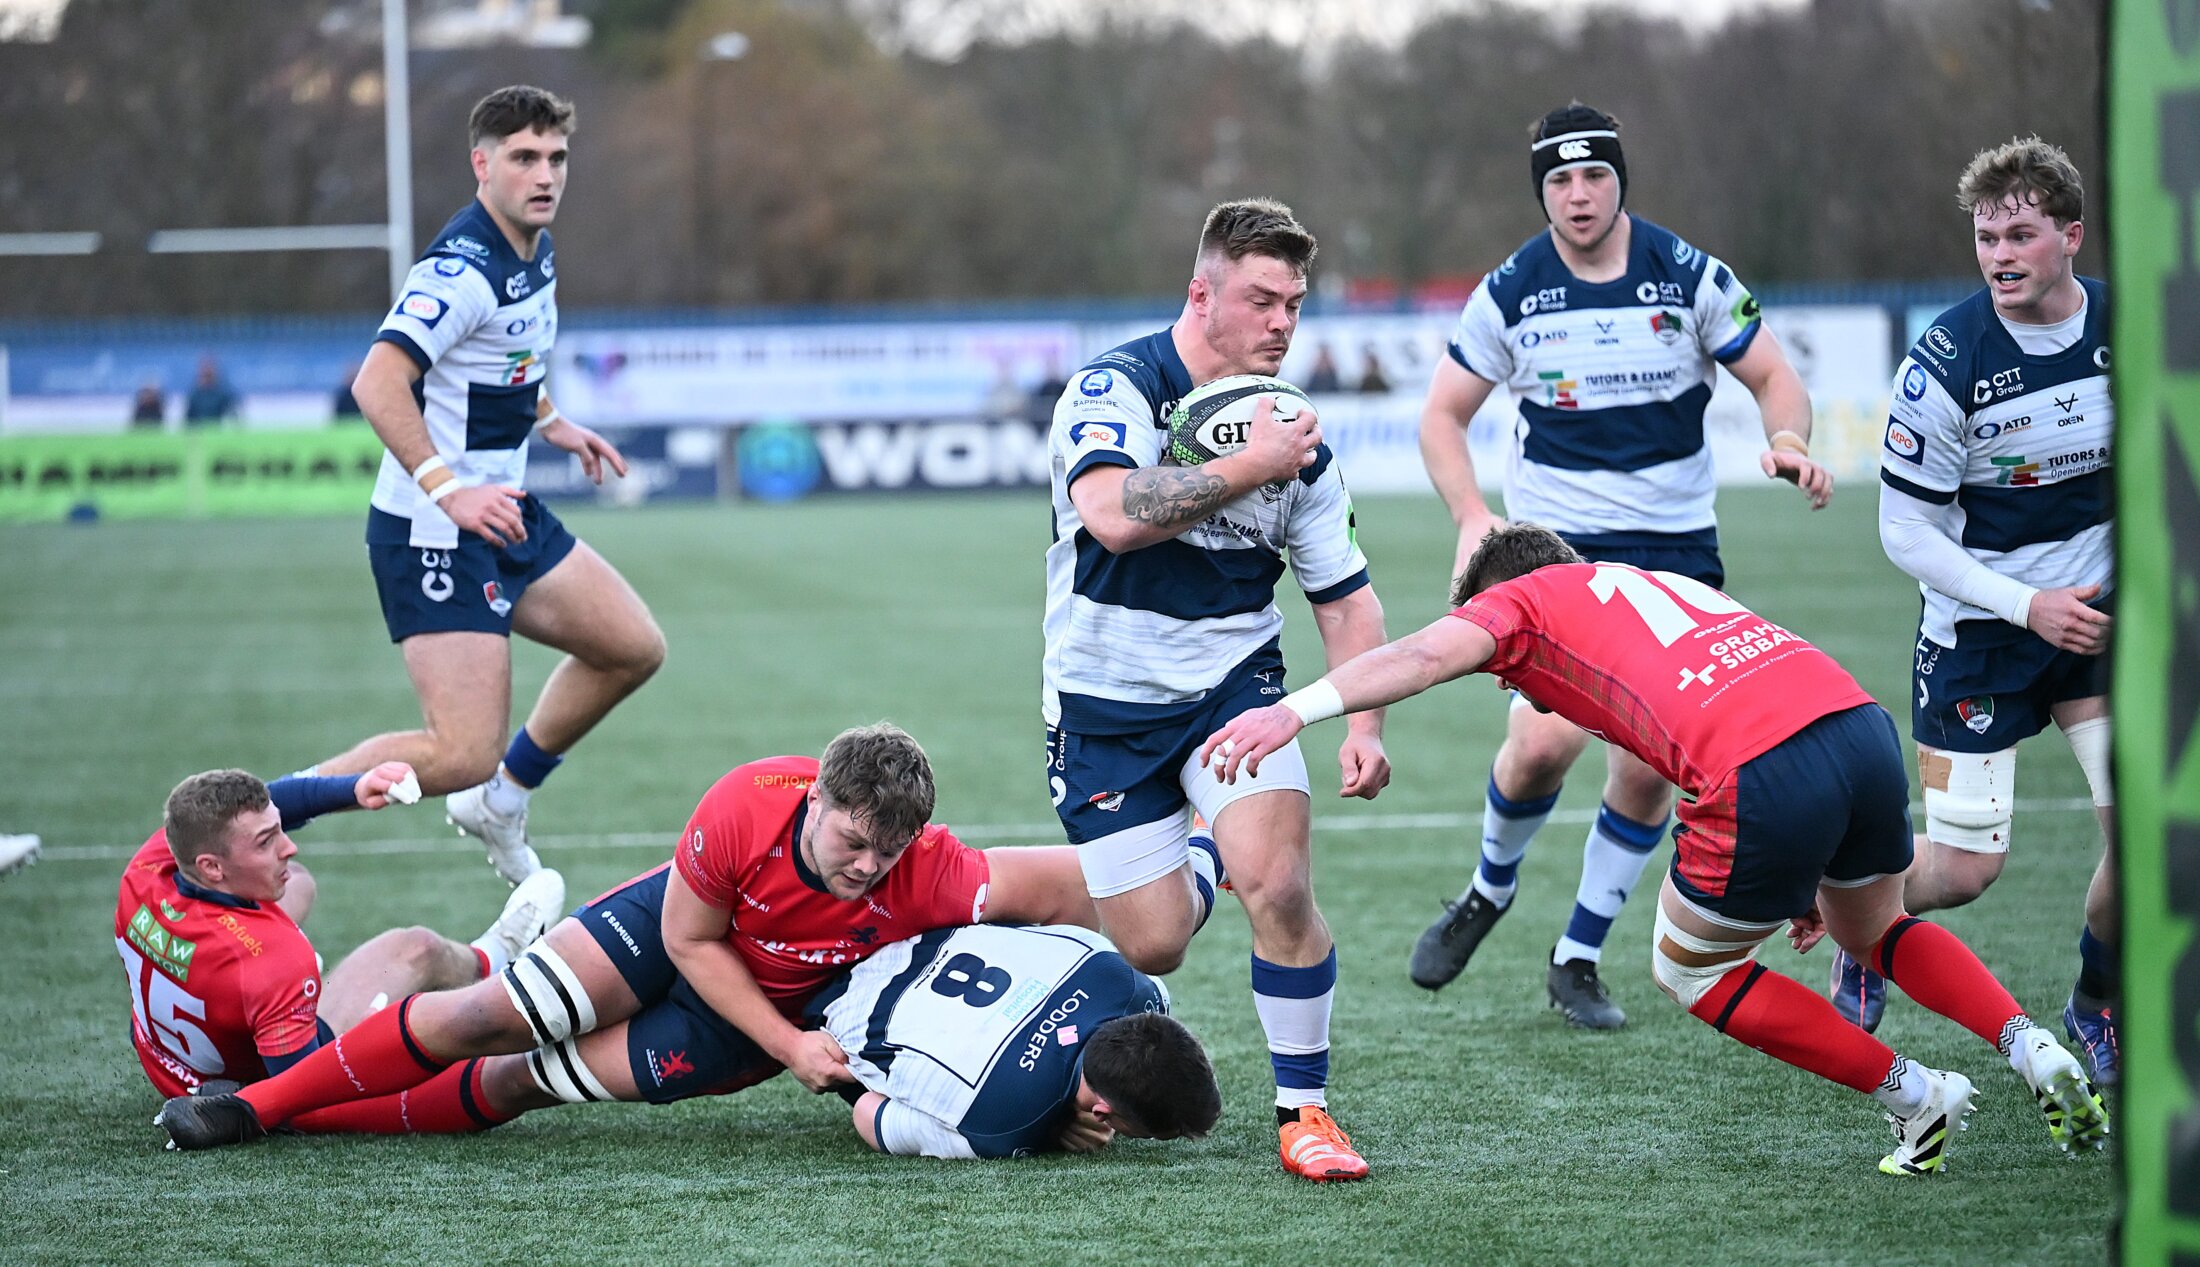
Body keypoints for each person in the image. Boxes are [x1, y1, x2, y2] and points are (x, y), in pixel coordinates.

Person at [1204, 524, 2109, 1175]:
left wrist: (1295, 710)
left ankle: (1916, 1094)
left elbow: (1418, 656)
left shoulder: (1518, 601)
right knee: (1874, 926)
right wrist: (1797, 868)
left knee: (1691, 973)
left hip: (1760, 768)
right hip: (1852, 725)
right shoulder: (1641, 582)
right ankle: (2027, 1041)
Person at [155, 725, 1102, 1149]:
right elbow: (692, 943)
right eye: (854, 841)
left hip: (735, 1027)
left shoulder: (932, 867)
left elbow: (1083, 882)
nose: (867, 866)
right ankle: (261, 1107)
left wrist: (1205, 863)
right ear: (815, 798)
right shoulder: (747, 803)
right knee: (492, 1016)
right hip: (684, 935)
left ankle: (295, 1108)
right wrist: (789, 1046)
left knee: (521, 1080)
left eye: (887, 852)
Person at [1408, 102, 1831, 1028]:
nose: (1578, 193)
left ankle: (1578, 957)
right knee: (1541, 745)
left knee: (1648, 763)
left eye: (1593, 174)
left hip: (1676, 554)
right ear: (1542, 191)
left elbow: (1772, 374)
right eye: (1558, 179)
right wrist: (1474, 514)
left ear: (1619, 178)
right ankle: (1488, 889)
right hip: (1559, 553)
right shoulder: (1513, 289)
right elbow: (1442, 414)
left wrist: (1788, 437)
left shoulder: (1686, 274)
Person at [1042, 198, 1389, 1181]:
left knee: (1279, 883)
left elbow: (1346, 598)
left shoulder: (1294, 437)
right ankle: (1205, 849)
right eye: (1260, 299)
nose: (1282, 322)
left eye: (1294, 303)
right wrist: (1251, 466)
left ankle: (1304, 1111)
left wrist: (1362, 718)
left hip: (1237, 688)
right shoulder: (1119, 388)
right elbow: (1112, 513)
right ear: (1202, 294)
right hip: (1103, 705)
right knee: (1151, 947)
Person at [303, 85, 663, 887]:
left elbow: (506, 355)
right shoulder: (459, 269)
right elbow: (378, 382)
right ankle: (258, 812)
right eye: (524, 158)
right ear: (482, 164)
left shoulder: (533, 246)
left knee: (631, 647)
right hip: (435, 528)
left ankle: (503, 801)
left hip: (503, 512)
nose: (546, 175)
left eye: (557, 158)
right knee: (460, 752)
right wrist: (448, 490)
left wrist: (552, 419)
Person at [1849, 137, 2116, 1083]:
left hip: (2098, 628)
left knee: (2157, 837)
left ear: (2071, 236)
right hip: (1979, 635)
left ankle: (2098, 999)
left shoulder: (2129, 334)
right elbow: (1905, 534)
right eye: (1986, 237)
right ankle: (1859, 921)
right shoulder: (1947, 360)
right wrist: (2025, 603)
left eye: (2022, 235)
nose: (2001, 254)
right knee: (1964, 870)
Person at [116, 766, 565, 1107]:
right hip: (245, 1079)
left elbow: (279, 801)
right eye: (266, 841)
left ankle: (264, 1010)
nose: (287, 845)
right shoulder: (274, 959)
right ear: (212, 866)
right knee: (415, 949)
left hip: (168, 1064)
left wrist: (354, 787)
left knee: (298, 880)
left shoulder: (148, 867)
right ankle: (500, 958)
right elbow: (300, 1095)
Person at [818, 922, 1222, 1158]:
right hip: (829, 999)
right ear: (1101, 1113)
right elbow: (869, 1114)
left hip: (899, 929)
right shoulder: (1009, 1125)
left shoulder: (1128, 982)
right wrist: (1047, 1131)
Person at [182, 358, 238, 426]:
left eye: (209, 374)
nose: (207, 377)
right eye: (205, 374)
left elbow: (232, 414)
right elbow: (189, 418)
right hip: (199, 431)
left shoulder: (222, 393)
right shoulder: (195, 395)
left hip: (217, 430)